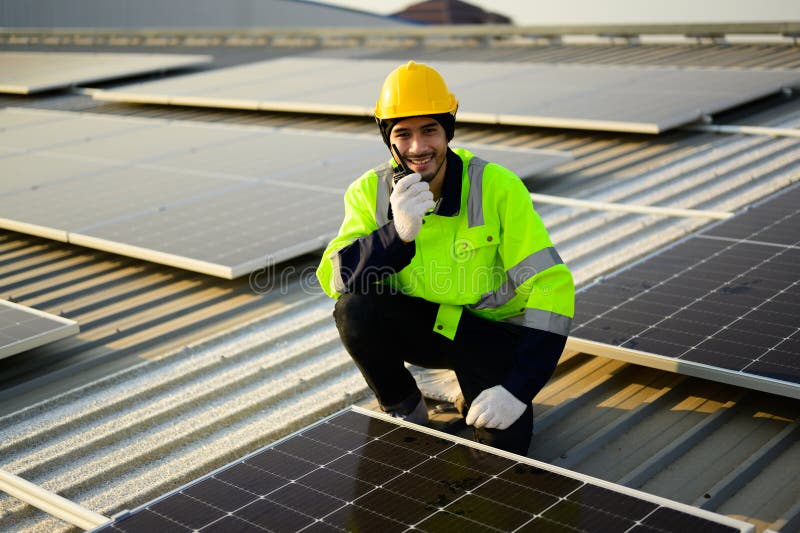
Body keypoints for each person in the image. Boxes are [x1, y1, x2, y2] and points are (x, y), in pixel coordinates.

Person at [316, 60, 574, 455]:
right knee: (354, 310)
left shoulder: (497, 186)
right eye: (403, 133)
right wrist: (394, 235)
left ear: (448, 129)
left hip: (490, 336)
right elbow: (335, 279)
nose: (418, 147)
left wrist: (518, 388)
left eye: (429, 130)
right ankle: (406, 406)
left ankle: (464, 385)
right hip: (431, 327)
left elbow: (552, 288)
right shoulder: (368, 192)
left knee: (502, 448)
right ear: (388, 138)